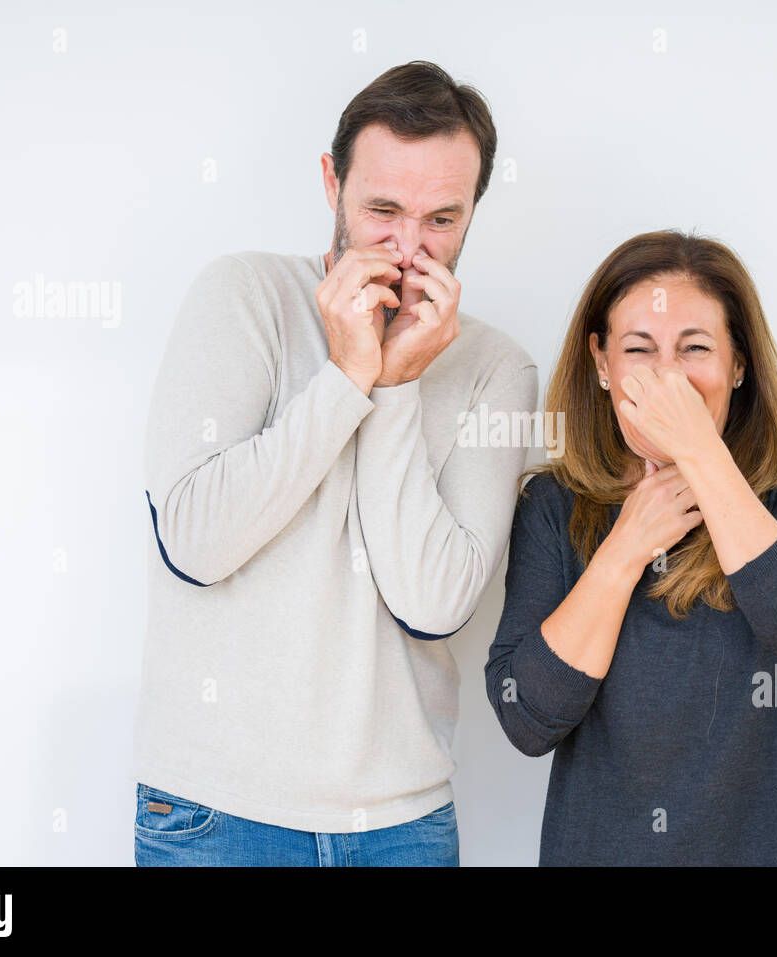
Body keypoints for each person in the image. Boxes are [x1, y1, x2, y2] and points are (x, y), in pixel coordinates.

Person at [133, 61, 537, 866]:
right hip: (214, 814)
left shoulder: (499, 369)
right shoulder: (243, 295)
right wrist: (349, 377)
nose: (409, 246)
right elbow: (195, 543)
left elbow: (434, 601)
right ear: (332, 182)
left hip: (402, 824)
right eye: (382, 208)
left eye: (442, 220)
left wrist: (396, 386)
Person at [485, 229, 777, 865]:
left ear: (740, 365)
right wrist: (626, 547)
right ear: (602, 364)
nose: (667, 376)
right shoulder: (552, 506)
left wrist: (698, 451)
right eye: (640, 348)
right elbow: (528, 719)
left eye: (696, 348)